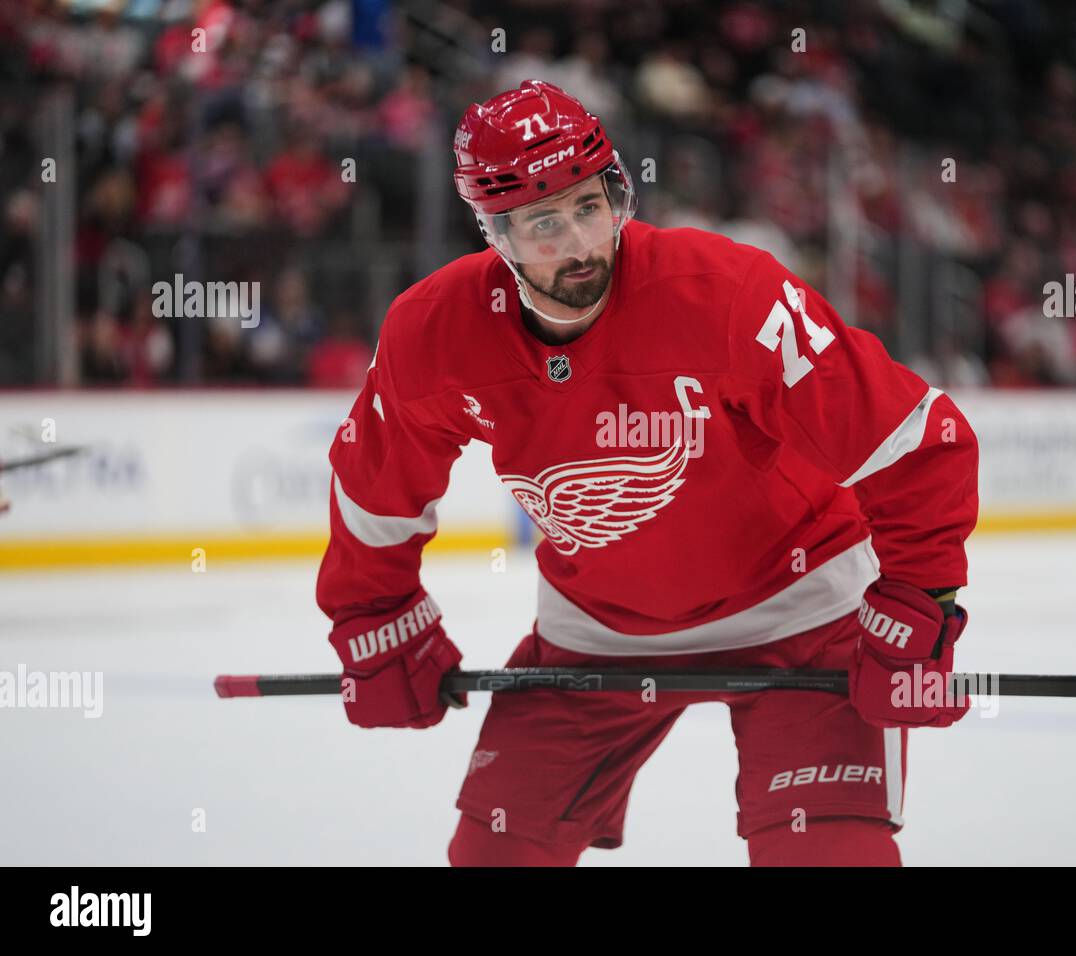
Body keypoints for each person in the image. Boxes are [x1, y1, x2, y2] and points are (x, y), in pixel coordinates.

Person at [315, 81, 979, 867]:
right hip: (595, 631)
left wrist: (917, 604)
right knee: (497, 857)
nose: (579, 244)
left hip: (800, 615)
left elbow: (915, 440)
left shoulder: (727, 295)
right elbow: (374, 490)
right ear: (495, 235)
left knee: (828, 857)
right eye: (542, 224)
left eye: (590, 207)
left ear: (618, 191)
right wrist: (377, 616)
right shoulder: (434, 332)